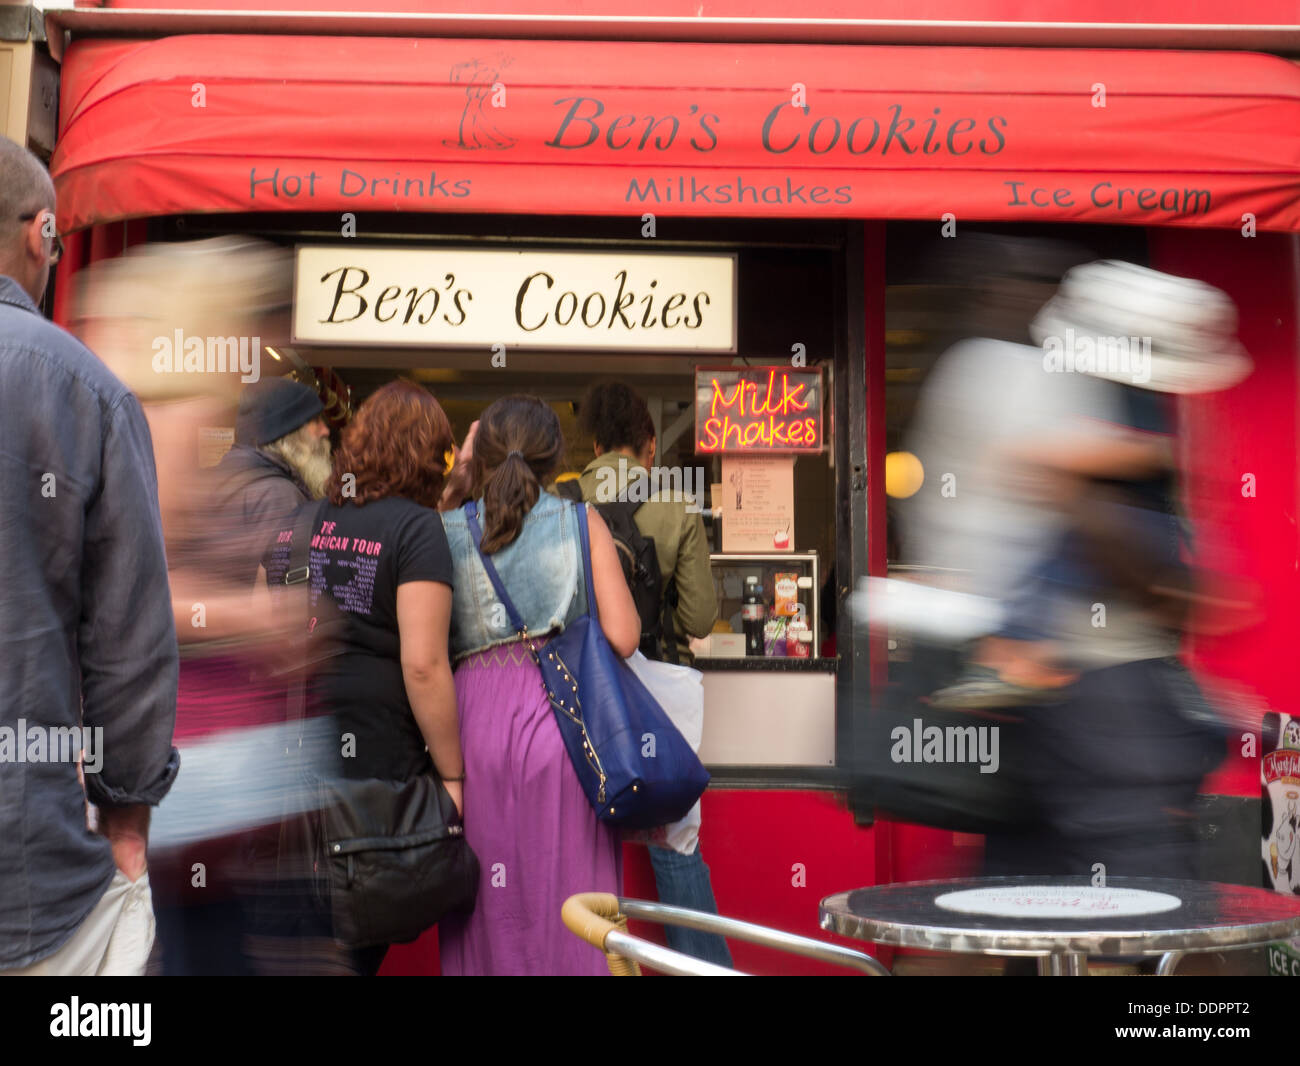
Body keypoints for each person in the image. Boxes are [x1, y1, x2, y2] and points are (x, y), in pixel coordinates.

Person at [0, 135, 179, 976]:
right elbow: (129, 643)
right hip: (32, 878)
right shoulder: (87, 392)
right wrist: (128, 814)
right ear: (42, 235)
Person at [263, 379, 466, 975]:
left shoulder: (296, 524)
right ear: (428, 457)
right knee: (351, 947)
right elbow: (424, 664)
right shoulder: (416, 530)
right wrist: (453, 775)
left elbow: (267, 649)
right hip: (372, 781)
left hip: (287, 781)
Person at [438, 395, 640, 975]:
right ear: (556, 460)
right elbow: (624, 637)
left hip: (472, 727)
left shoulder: (444, 530)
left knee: (486, 898)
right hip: (564, 727)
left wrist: (456, 484)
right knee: (571, 894)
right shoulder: (583, 521)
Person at [571, 382, 731, 968]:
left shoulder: (560, 501)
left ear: (592, 444)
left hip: (582, 701)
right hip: (660, 702)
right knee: (675, 845)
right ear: (650, 447)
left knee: (581, 839)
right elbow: (698, 617)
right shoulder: (675, 503)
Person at [212, 376, 333, 590]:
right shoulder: (279, 495)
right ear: (289, 433)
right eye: (315, 421)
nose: (326, 430)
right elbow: (287, 587)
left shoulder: (225, 477)